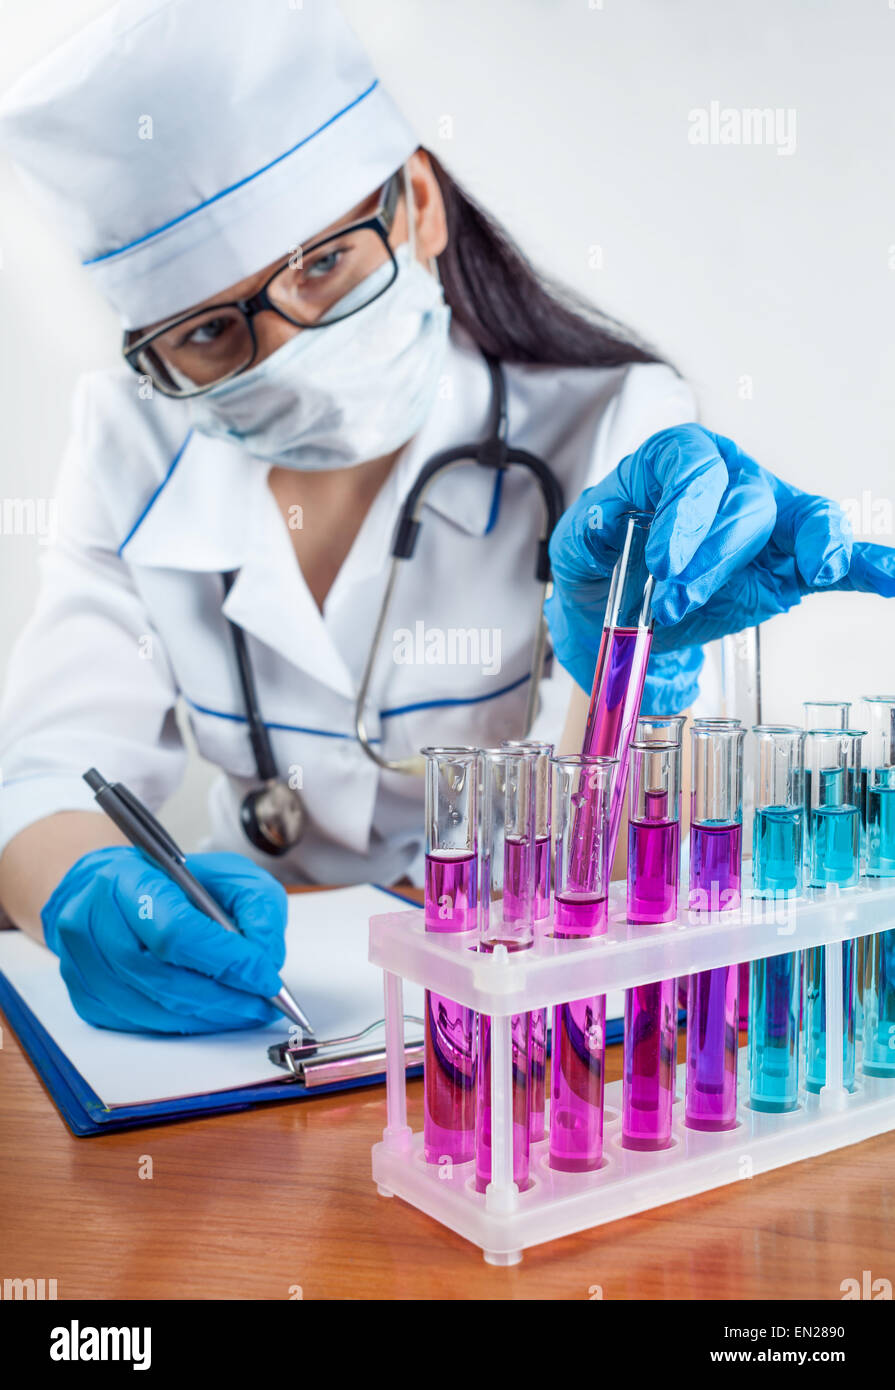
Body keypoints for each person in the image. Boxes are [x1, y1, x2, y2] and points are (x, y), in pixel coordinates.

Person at [0, 0, 890, 1035]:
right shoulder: (130, 439)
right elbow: (48, 776)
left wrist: (632, 678)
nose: (287, 351)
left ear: (418, 203)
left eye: (320, 265)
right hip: (260, 1023)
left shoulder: (614, 429)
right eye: (206, 331)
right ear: (152, 352)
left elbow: (629, 879)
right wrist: (86, 895)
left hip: (512, 1020)